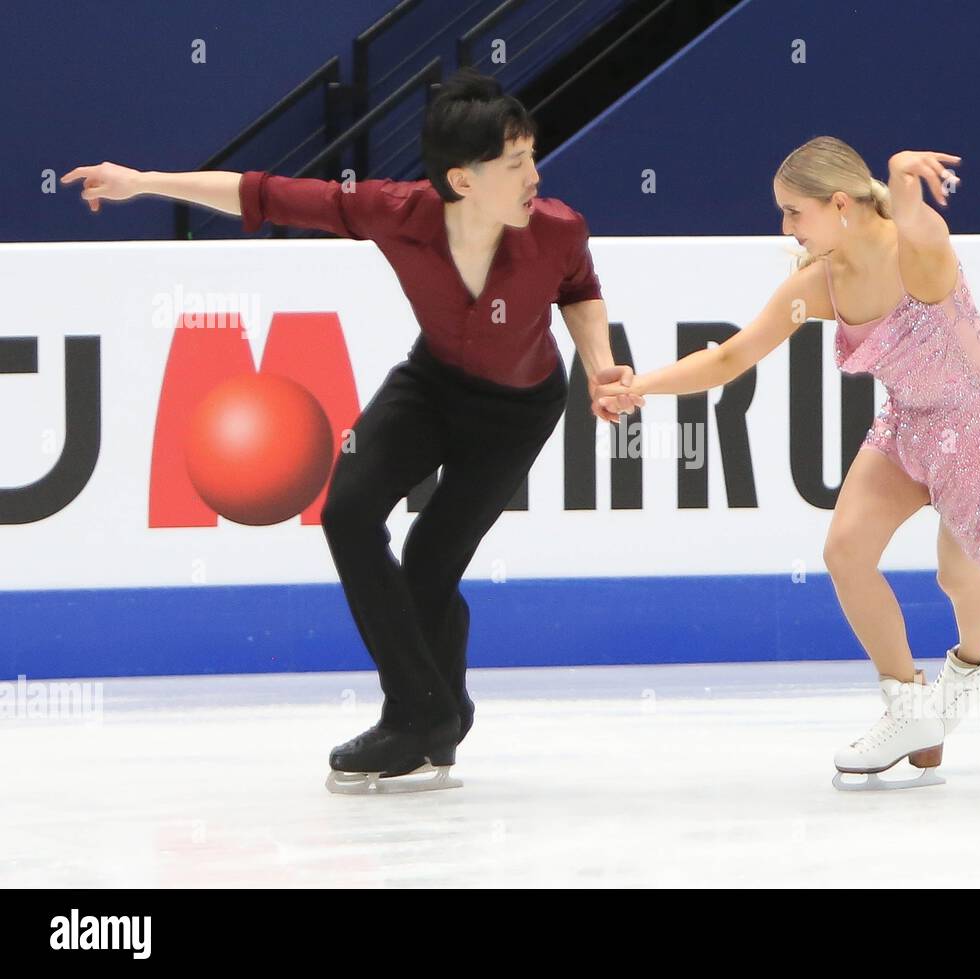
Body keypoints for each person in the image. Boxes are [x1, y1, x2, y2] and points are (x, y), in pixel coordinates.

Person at [62, 68, 641, 794]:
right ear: (462, 180)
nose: (536, 175)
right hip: (430, 385)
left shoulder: (558, 228)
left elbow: (578, 286)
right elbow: (265, 194)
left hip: (518, 411)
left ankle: (424, 719)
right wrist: (143, 180)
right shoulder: (394, 211)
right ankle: (431, 711)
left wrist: (602, 366)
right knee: (347, 509)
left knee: (430, 559)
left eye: (532, 156)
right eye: (517, 163)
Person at [595, 137, 980, 790]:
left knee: (955, 572)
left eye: (792, 212)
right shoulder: (819, 283)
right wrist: (640, 386)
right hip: (908, 428)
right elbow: (730, 357)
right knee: (845, 550)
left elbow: (924, 220)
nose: (784, 227)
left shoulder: (915, 253)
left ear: (839, 204)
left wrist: (901, 178)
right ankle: (909, 705)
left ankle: (966, 674)